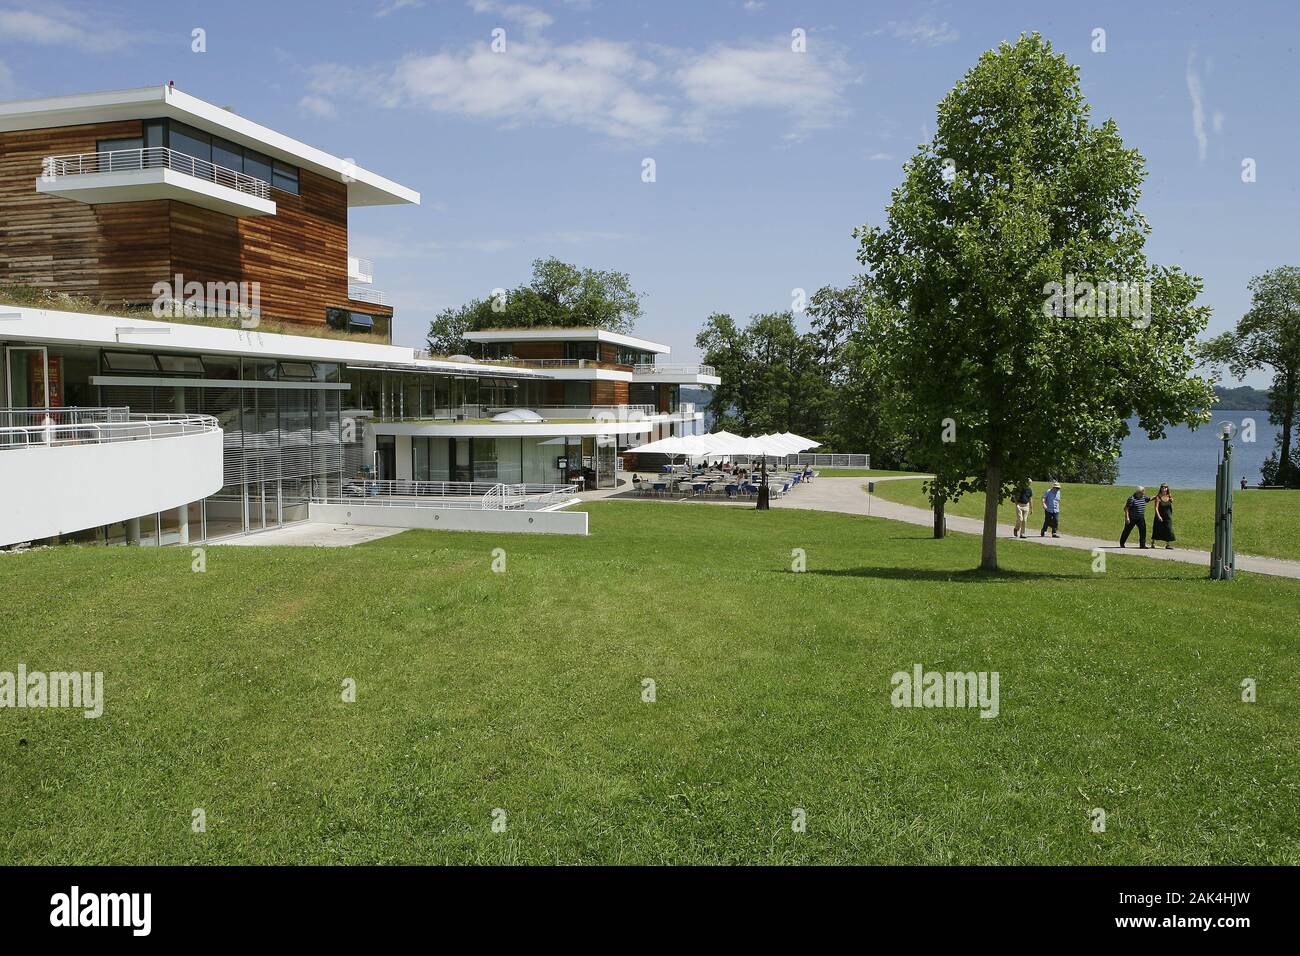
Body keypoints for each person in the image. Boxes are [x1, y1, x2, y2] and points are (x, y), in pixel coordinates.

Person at [1151, 483, 1176, 549]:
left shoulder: (1169, 496)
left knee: (1168, 529)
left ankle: (1168, 545)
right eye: (1163, 487)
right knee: (1157, 529)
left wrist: (1171, 500)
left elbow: (1170, 503)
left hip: (1168, 516)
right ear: (1161, 488)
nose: (1164, 489)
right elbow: (1156, 508)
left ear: (1167, 488)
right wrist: (1158, 516)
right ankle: (1153, 543)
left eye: (1165, 487)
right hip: (1160, 516)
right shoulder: (1158, 497)